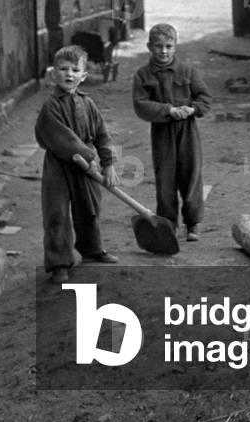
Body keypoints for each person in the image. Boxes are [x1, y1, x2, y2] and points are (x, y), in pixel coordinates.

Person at [35, 45, 119, 283]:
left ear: (84, 76)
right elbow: (60, 137)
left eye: (75, 70)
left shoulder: (88, 103)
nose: (69, 74)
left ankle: (91, 249)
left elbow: (102, 134)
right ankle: (59, 263)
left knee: (89, 208)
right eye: (63, 69)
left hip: (87, 166)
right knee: (57, 213)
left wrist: (108, 163)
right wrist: (88, 157)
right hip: (59, 166)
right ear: (54, 73)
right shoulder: (50, 106)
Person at [132, 23, 211, 241]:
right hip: (162, 131)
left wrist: (192, 109)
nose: (163, 51)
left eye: (168, 46)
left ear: (176, 46)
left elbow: (205, 98)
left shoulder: (188, 71)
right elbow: (140, 104)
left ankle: (193, 223)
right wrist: (167, 110)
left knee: (191, 174)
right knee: (165, 177)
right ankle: (168, 223)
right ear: (149, 46)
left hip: (187, 130)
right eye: (158, 46)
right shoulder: (143, 75)